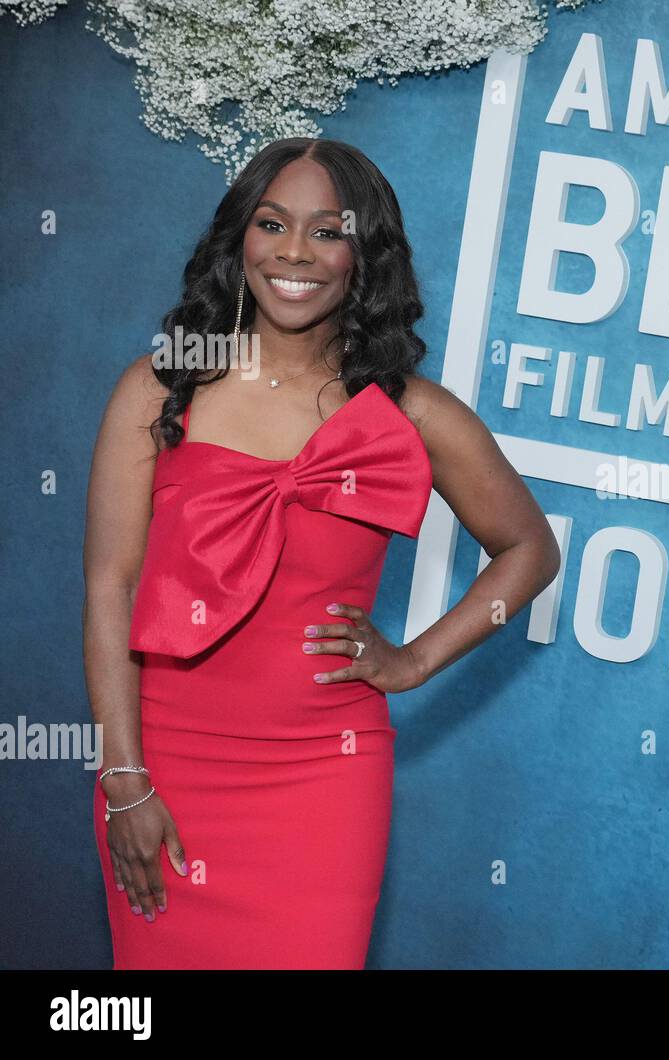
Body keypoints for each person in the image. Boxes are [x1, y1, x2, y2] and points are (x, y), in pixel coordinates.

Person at [83, 137, 561, 968]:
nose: (294, 251)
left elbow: (529, 549)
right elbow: (109, 587)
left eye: (327, 231)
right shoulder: (160, 388)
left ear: (363, 255)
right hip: (165, 770)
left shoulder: (409, 414)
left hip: (322, 785)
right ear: (241, 239)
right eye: (272, 223)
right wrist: (125, 779)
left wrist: (411, 662)